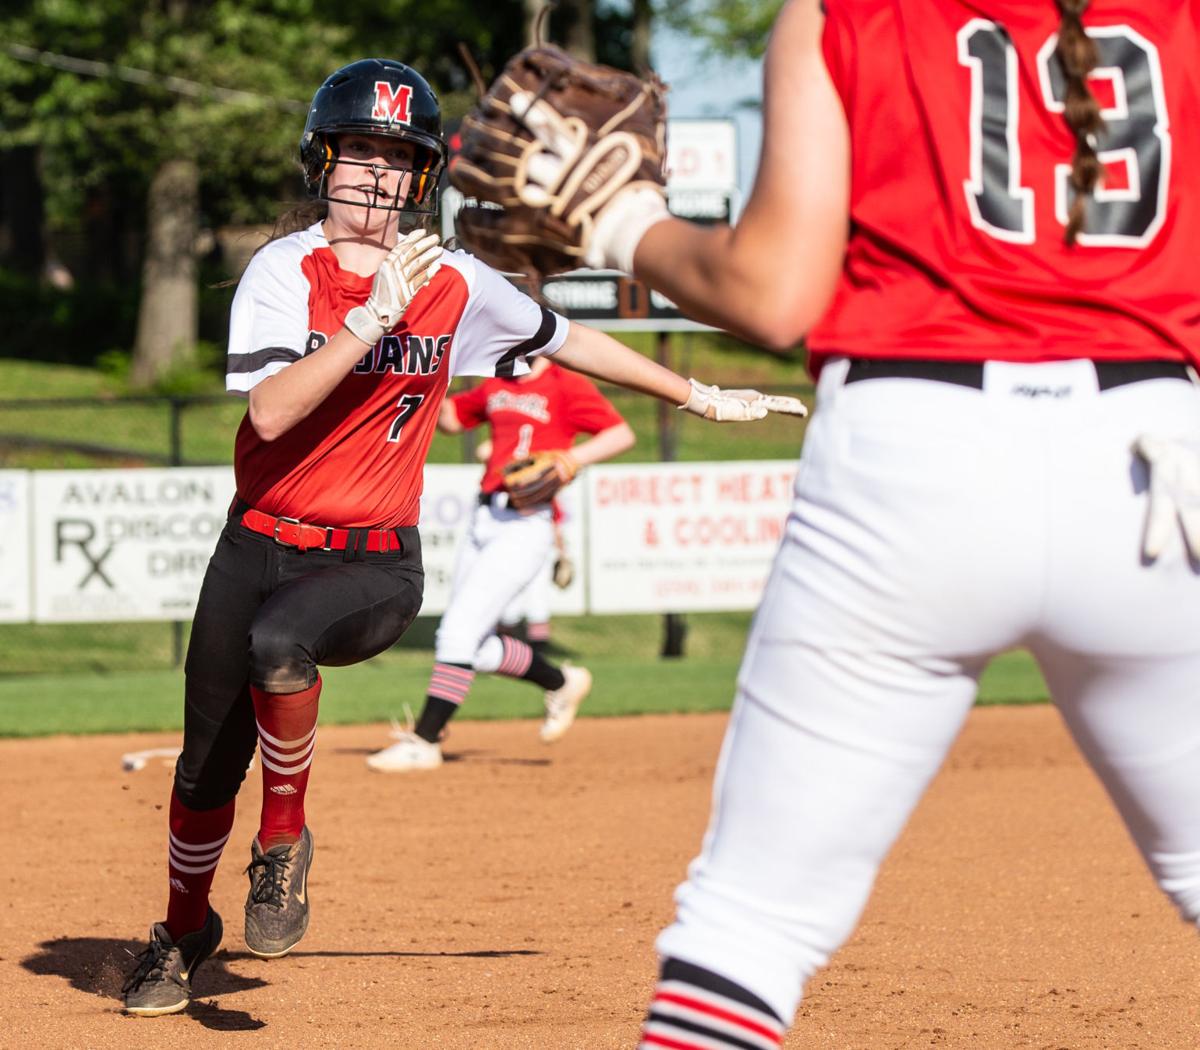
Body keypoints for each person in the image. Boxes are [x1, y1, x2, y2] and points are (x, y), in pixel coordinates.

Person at [499, 2, 1200, 1046]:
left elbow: (774, 295)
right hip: (1151, 469)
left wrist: (620, 226)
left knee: (750, 930)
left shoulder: (846, 12)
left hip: (911, 457)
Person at [119, 57, 807, 1017]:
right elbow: (270, 413)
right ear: (323, 161)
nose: (378, 175)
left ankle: (282, 845)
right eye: (361, 152)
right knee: (202, 771)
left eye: (399, 158)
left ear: (423, 176)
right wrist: (369, 322)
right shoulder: (283, 270)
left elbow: (569, 338)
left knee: (281, 645)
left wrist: (697, 393)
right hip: (258, 543)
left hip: (371, 560)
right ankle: (185, 930)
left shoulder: (453, 279)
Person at [366, 355, 630, 772]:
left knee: (457, 632)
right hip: (484, 517)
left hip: (526, 523)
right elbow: (452, 419)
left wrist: (570, 460)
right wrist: (425, 374)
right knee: (472, 643)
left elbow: (620, 433)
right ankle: (562, 683)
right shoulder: (496, 382)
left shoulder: (564, 384)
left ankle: (425, 740)